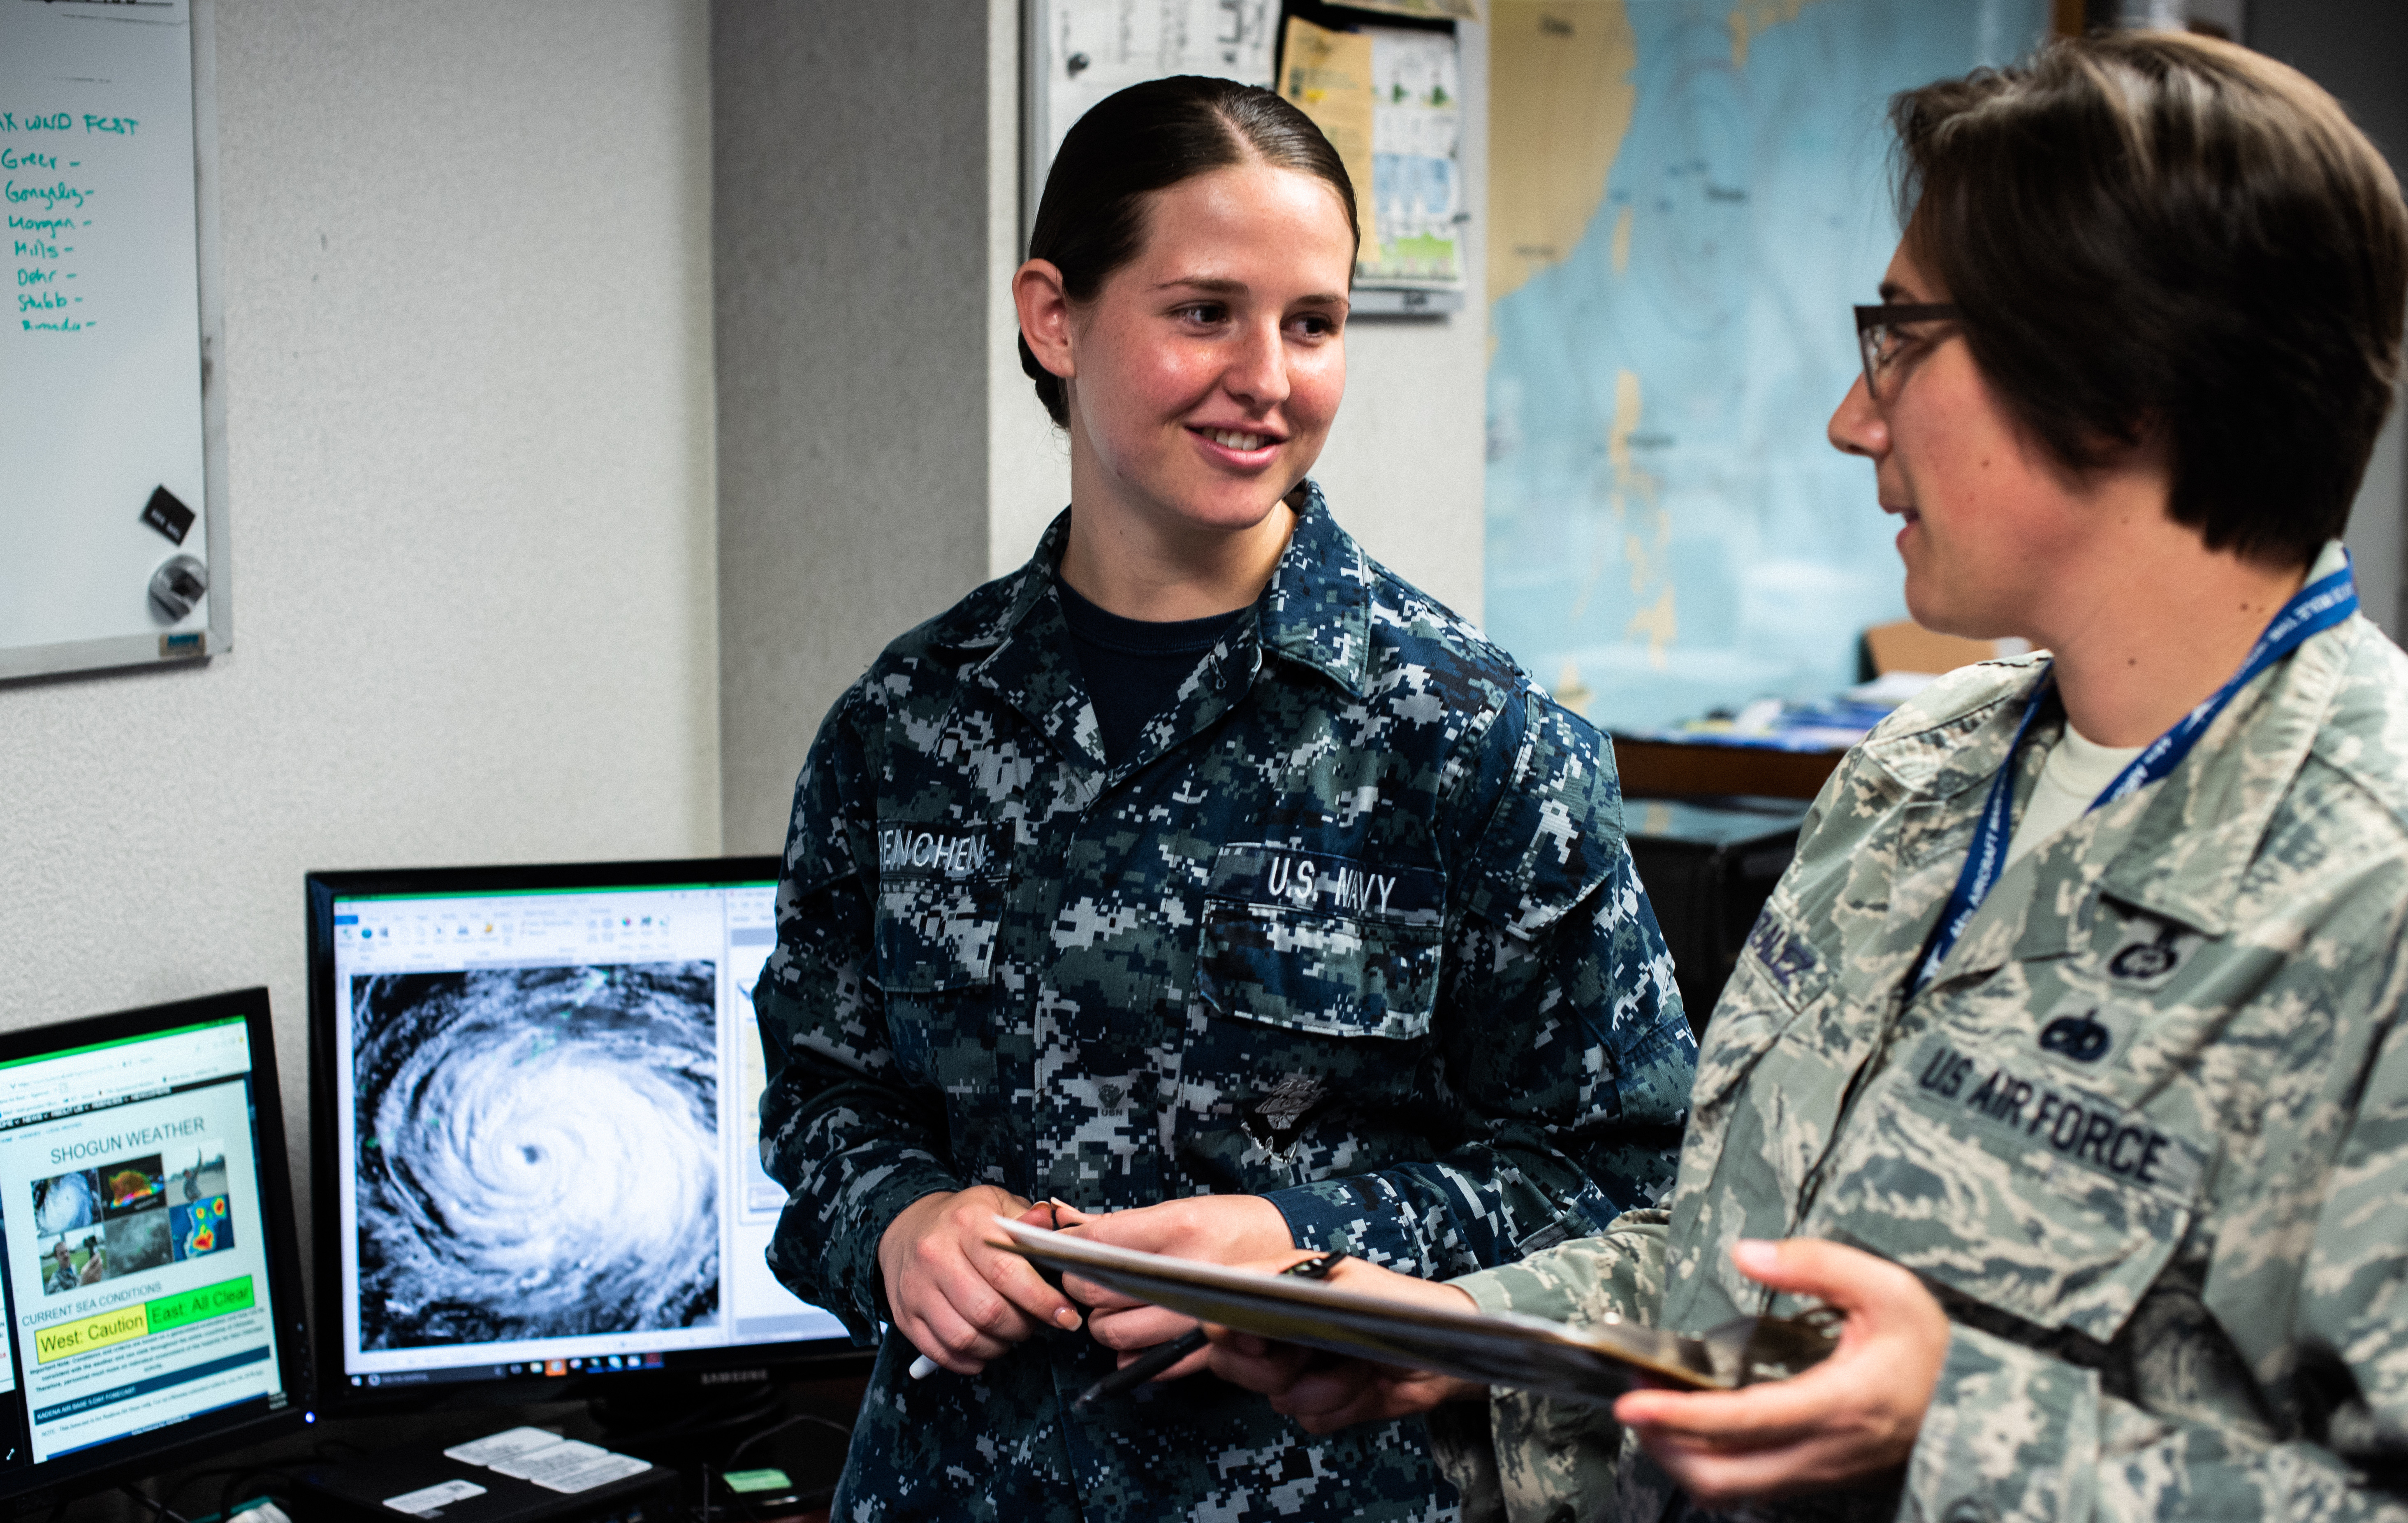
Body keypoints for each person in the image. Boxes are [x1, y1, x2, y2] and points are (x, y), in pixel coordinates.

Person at [1207, 30, 2408, 1522]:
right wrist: (1460, 1337)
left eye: (1903, 337)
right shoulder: (1918, 776)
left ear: (2120, 382)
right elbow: (1732, 1271)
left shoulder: (2377, 885)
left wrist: (1951, 1431)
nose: (1857, 418)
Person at [749, 75, 1699, 1522]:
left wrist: (1303, 1244)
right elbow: (821, 1099)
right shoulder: (906, 723)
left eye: (1312, 323)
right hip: (955, 1488)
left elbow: (1633, 1175)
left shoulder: (1469, 736)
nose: (1270, 376)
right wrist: (898, 1225)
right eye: (1205, 312)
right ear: (1054, 316)